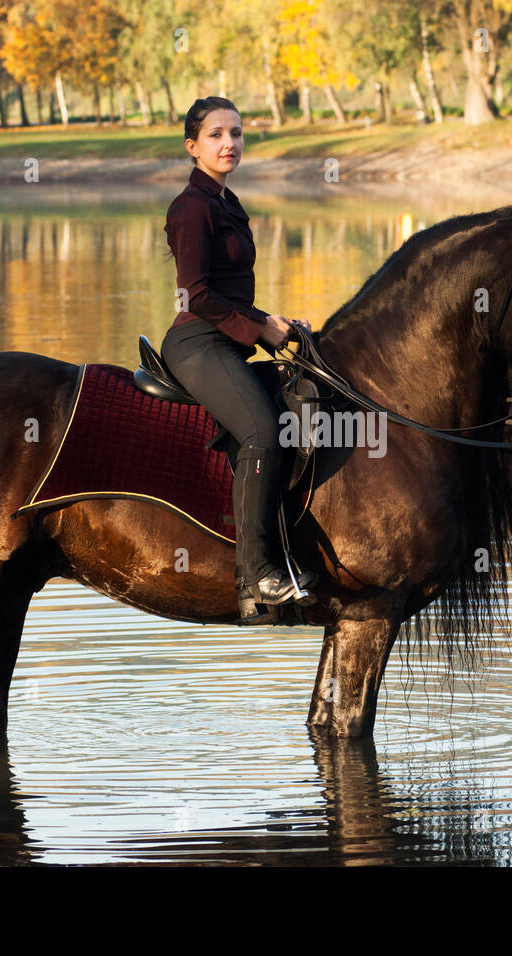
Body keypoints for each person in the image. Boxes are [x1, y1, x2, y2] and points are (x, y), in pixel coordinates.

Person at [160, 96, 314, 620]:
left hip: (227, 339)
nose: (230, 144)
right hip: (197, 342)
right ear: (193, 146)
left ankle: (291, 552)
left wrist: (276, 324)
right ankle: (255, 575)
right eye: (217, 135)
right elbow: (196, 295)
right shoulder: (191, 206)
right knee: (263, 431)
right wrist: (260, 328)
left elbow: (231, 293)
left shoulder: (226, 201)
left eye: (238, 134)